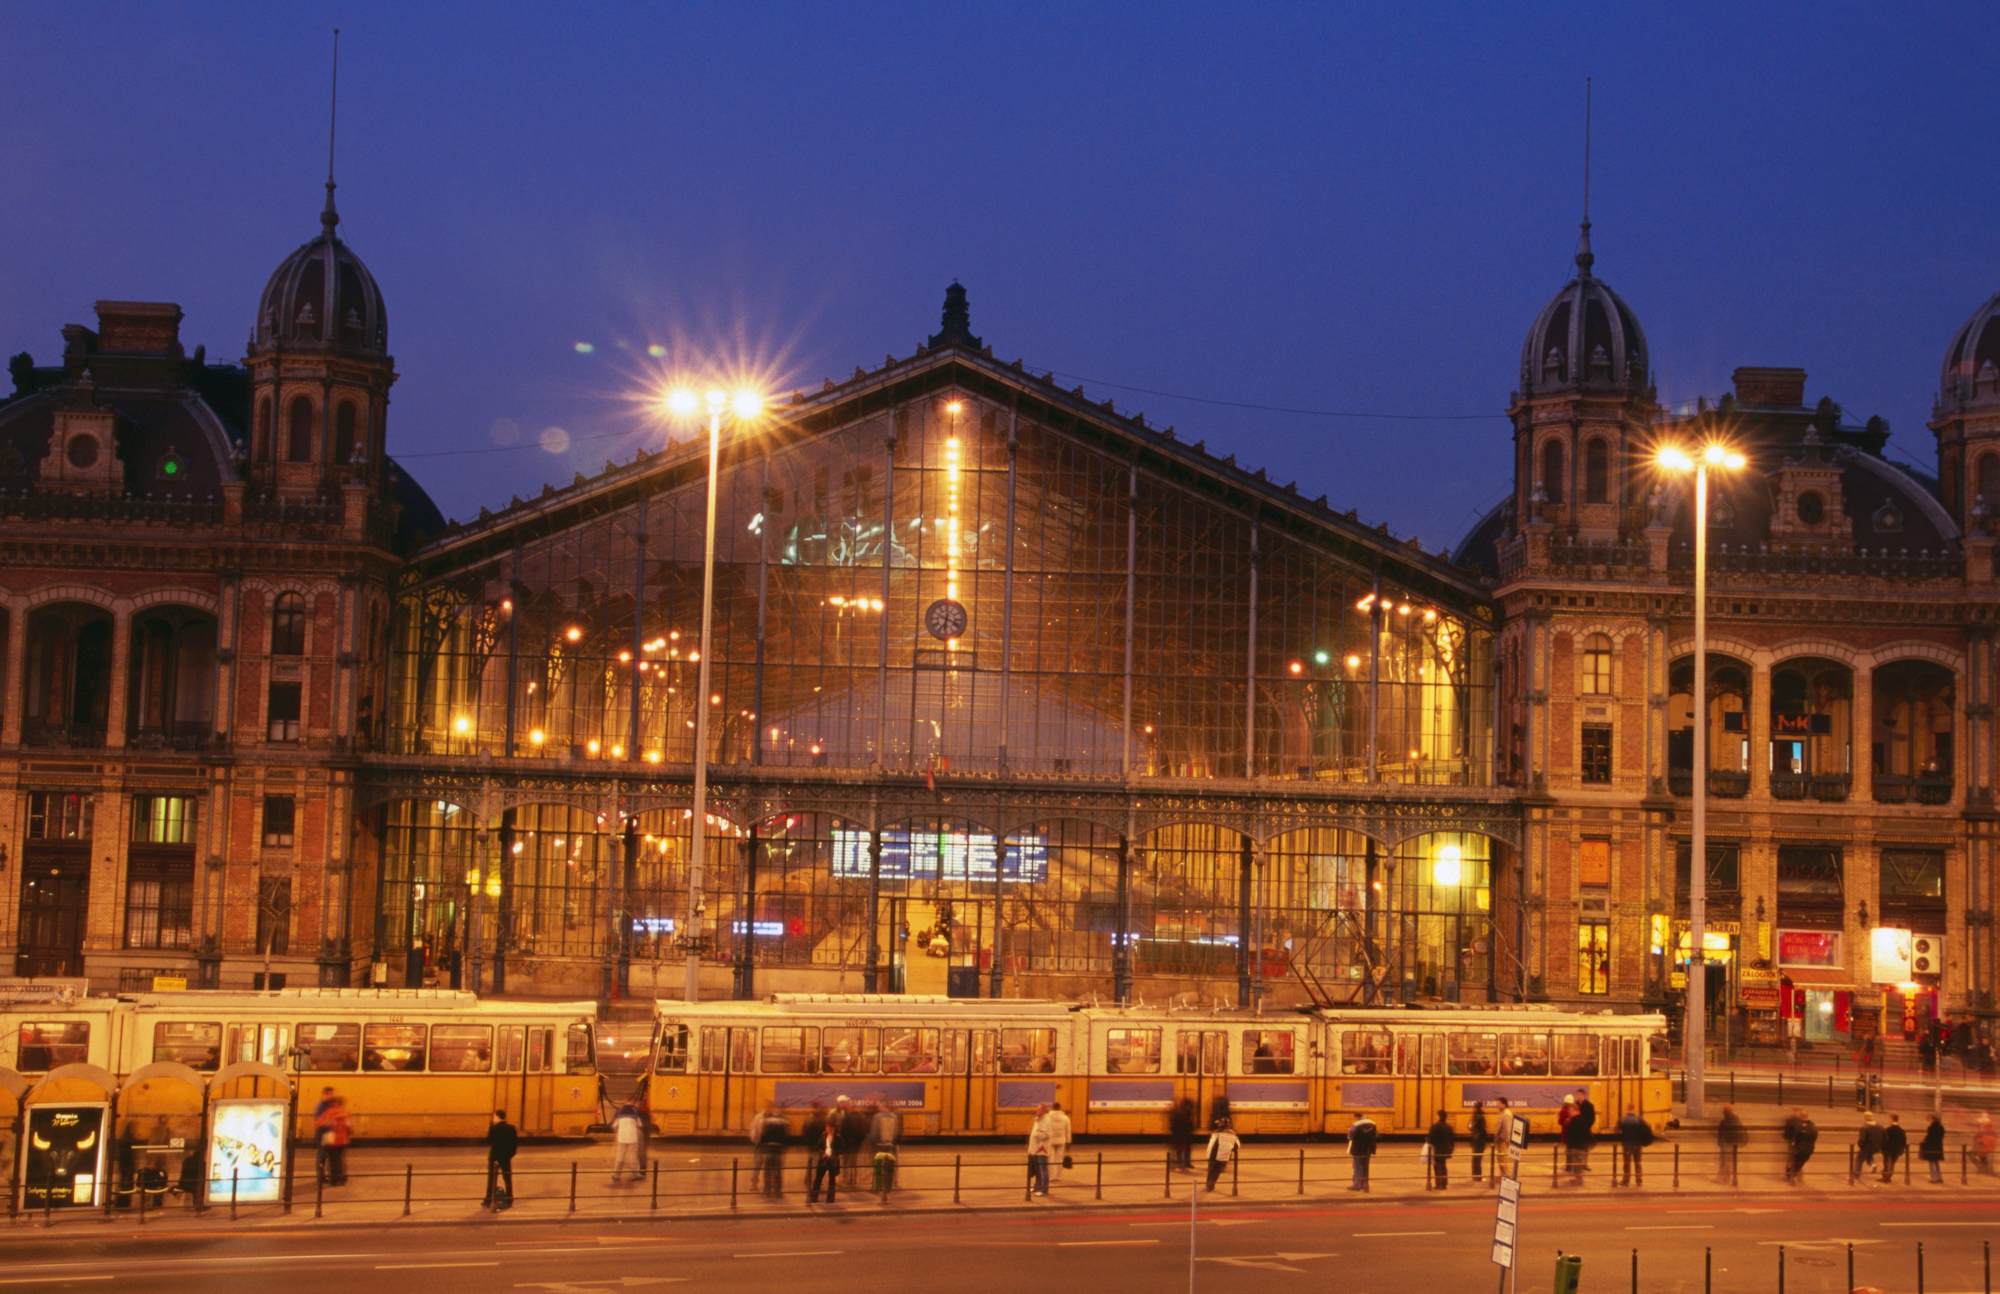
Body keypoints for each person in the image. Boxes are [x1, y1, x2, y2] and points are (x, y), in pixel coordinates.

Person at [750, 1104, 786, 1199]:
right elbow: (785, 1137)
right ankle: (777, 1191)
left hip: (767, 1148)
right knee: (777, 1170)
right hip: (777, 1149)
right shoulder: (782, 1121)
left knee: (767, 1170)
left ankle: (767, 1190)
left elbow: (762, 1135)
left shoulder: (766, 1121)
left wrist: (759, 1142)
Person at [484, 1109, 518, 1210]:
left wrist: (489, 1129)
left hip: (494, 1157)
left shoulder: (493, 1128)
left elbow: (488, 1141)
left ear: (497, 1117)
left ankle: (489, 1199)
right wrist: (509, 1155)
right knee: (507, 1178)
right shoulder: (511, 1128)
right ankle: (509, 1199)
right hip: (505, 1157)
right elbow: (514, 1145)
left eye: (494, 1116)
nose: (493, 1118)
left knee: (491, 1179)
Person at [806, 1114, 841, 1204]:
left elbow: (841, 1148)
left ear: (833, 1128)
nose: (827, 1129)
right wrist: (823, 1154)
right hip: (823, 1160)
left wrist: (833, 1154)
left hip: (833, 1161)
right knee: (818, 1179)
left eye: (829, 1127)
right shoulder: (823, 1135)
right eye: (826, 1127)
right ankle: (814, 1198)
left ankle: (830, 1199)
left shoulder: (838, 1137)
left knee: (832, 1180)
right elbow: (819, 1147)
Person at [870, 1102, 900, 1200]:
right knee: (889, 1167)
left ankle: (878, 1187)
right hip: (890, 1145)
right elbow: (896, 1132)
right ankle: (888, 1187)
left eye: (880, 1106)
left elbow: (874, 1132)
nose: (878, 1108)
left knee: (878, 1166)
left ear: (884, 1106)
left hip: (879, 1145)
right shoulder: (894, 1117)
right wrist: (892, 1141)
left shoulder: (877, 1117)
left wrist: (873, 1142)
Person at [1616, 1111, 1653, 1187]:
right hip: (1637, 1145)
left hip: (1627, 1145)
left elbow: (1617, 1130)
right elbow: (1648, 1127)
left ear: (1628, 1110)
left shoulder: (1624, 1119)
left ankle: (1626, 1180)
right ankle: (1638, 1180)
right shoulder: (1639, 1119)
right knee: (1638, 1163)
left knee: (1627, 1163)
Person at [610, 1101, 644, 1183]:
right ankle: (635, 1174)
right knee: (633, 1156)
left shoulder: (619, 1112)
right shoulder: (635, 1111)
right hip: (632, 1137)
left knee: (620, 1156)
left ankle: (616, 1175)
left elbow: (614, 1126)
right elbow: (640, 1125)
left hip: (622, 1137)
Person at [1203, 1118, 1240, 1193]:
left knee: (1211, 1171)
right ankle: (1210, 1185)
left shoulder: (1216, 1134)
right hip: (1224, 1157)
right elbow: (1237, 1146)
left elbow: (1212, 1145)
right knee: (1216, 1172)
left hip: (1214, 1155)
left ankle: (1209, 1186)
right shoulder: (1233, 1135)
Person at [1715, 1105, 1747, 1184]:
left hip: (1727, 1144)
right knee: (1728, 1162)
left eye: (1724, 1112)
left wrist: (1720, 1142)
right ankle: (1727, 1179)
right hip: (1732, 1144)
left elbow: (1721, 1133)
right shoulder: (1736, 1120)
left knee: (1725, 1162)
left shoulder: (1725, 1121)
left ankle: (1724, 1179)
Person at [1026, 1106, 1053, 1198]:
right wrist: (1030, 1150)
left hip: (1041, 1149)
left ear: (1044, 1111)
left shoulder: (1046, 1120)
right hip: (1035, 1149)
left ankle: (1044, 1190)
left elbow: (1047, 1134)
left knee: (1043, 1170)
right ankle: (1037, 1187)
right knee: (1037, 1170)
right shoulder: (1038, 1120)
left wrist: (1037, 1134)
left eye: (1039, 1109)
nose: (1036, 1110)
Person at [1044, 1101, 1073, 1185]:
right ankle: (1058, 1176)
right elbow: (1068, 1131)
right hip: (1061, 1140)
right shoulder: (1065, 1118)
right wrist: (1068, 1142)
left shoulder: (1047, 1117)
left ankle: (1051, 1176)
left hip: (1050, 1140)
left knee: (1050, 1159)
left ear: (1052, 1107)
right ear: (1060, 1108)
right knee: (1059, 1158)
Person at [1347, 1112, 1378, 1192]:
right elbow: (1375, 1136)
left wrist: (1349, 1131)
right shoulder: (1373, 1123)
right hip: (1368, 1149)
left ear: (1356, 1117)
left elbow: (1350, 1136)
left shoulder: (1356, 1125)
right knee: (1365, 1167)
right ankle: (1365, 1185)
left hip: (1357, 1149)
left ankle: (1357, 1185)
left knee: (1357, 1167)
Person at [1785, 1113, 1818, 1184]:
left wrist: (1793, 1143)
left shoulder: (1799, 1126)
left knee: (1795, 1162)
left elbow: (1796, 1137)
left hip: (1799, 1148)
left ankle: (1791, 1175)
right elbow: (1815, 1137)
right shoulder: (1814, 1126)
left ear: (1801, 1117)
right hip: (1809, 1149)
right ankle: (1792, 1175)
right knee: (1799, 1163)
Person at [1427, 1109, 1455, 1190]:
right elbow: (1452, 1140)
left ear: (1439, 1116)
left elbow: (1430, 1139)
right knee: (1443, 1166)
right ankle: (1444, 1183)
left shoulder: (1435, 1127)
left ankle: (1439, 1184)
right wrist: (1451, 1149)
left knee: (1437, 1167)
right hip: (1446, 1150)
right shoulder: (1449, 1127)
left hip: (1437, 1150)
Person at [1492, 1098, 1519, 1183]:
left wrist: (1508, 1142)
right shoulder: (1503, 1113)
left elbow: (1508, 1129)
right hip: (1500, 1140)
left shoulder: (1506, 1114)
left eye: (1499, 1103)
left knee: (1503, 1159)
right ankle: (1501, 1176)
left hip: (1503, 1141)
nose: (1497, 1105)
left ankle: (1507, 1177)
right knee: (1500, 1159)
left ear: (1504, 1104)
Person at [1852, 1113, 1883, 1185]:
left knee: (1858, 1159)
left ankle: (1856, 1174)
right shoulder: (1880, 1126)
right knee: (1868, 1155)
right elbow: (1885, 1137)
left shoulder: (1864, 1127)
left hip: (1867, 1147)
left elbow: (1862, 1140)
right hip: (1876, 1147)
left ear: (1865, 1118)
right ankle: (1872, 1165)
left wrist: (1860, 1146)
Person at [1170, 1098, 1197, 1172]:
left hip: (1186, 1135)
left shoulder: (1186, 1112)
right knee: (1179, 1150)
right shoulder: (1180, 1113)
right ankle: (1179, 1164)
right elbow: (1177, 1125)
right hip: (1180, 1135)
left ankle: (1186, 1163)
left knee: (1185, 1149)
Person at [1880, 1113, 1908, 1184]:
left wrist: (1882, 1149)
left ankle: (1886, 1178)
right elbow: (1904, 1141)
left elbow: (1884, 1140)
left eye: (1889, 1119)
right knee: (1892, 1164)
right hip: (1897, 1150)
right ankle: (1888, 1177)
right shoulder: (1901, 1130)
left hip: (1888, 1150)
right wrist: (1902, 1149)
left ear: (1891, 1119)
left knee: (1887, 1164)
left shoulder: (1888, 1130)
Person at [1920, 1114, 1947, 1185]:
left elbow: (1929, 1138)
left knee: (1932, 1163)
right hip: (1938, 1147)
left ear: (1932, 1119)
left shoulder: (1931, 1128)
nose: (1928, 1121)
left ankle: (1934, 1179)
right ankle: (1939, 1178)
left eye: (1929, 1119)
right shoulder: (1941, 1127)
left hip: (1931, 1147)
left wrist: (1923, 1142)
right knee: (1936, 1163)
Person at [1468, 1102, 1490, 1183]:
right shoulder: (1480, 1117)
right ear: (1480, 1107)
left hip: (1474, 1140)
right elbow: (1483, 1130)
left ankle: (1475, 1176)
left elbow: (1469, 1126)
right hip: (1479, 1141)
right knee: (1478, 1159)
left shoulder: (1473, 1116)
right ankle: (1478, 1177)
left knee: (1475, 1159)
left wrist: (1473, 1132)